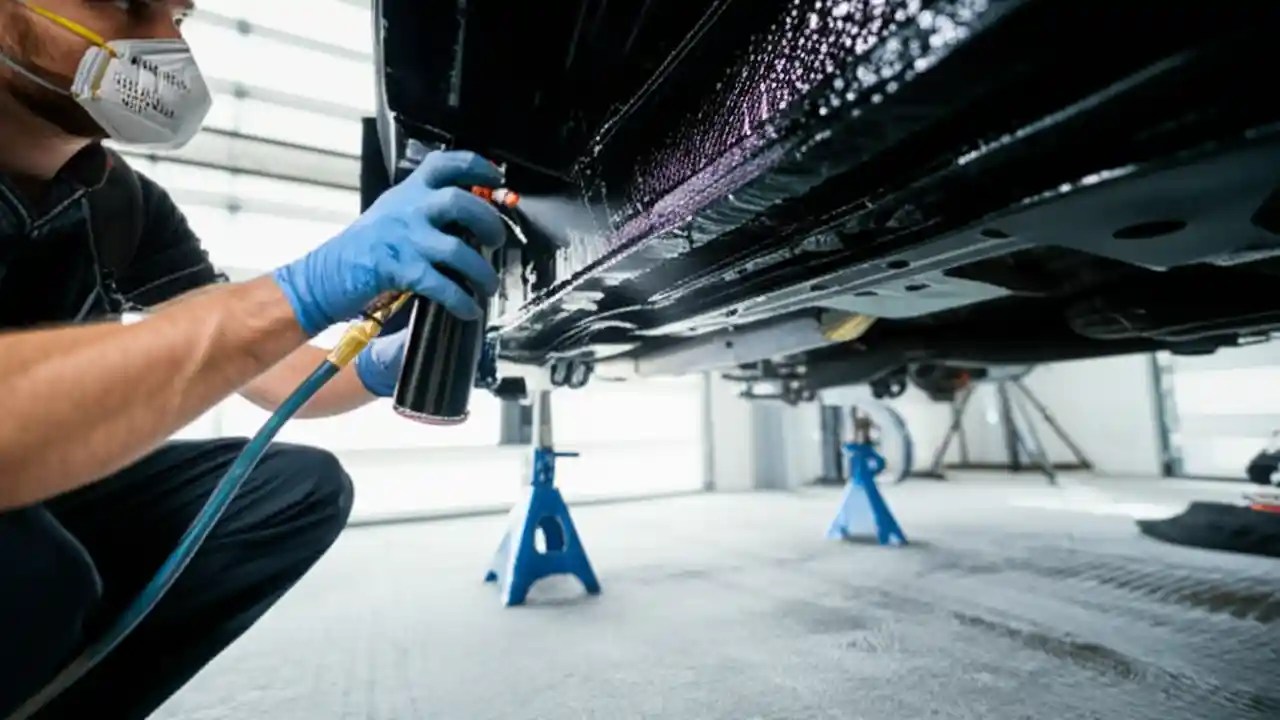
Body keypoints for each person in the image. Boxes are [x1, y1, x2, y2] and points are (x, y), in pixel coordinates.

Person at [0, 1, 507, 717]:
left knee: (294, 490)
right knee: (39, 572)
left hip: (43, 488)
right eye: (121, 2)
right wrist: (301, 289)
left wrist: (366, 366)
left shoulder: (122, 208)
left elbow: (258, 363)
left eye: (176, 17)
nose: (162, 43)